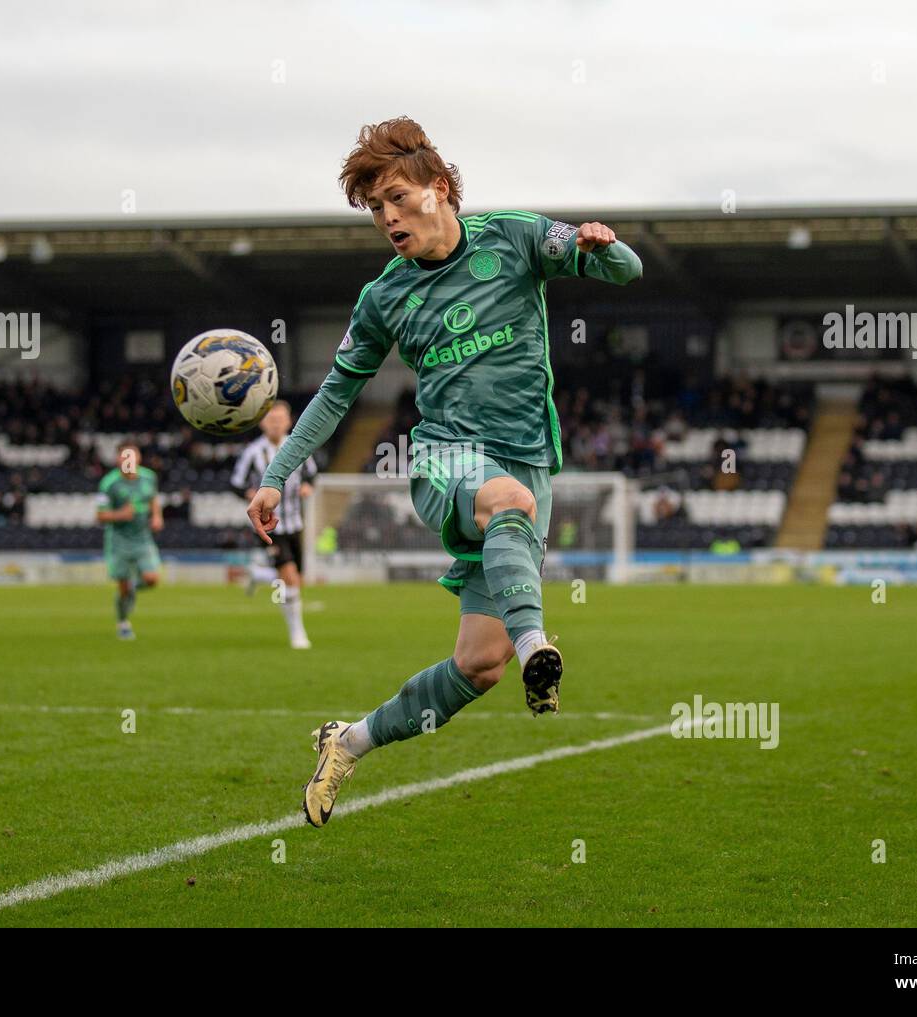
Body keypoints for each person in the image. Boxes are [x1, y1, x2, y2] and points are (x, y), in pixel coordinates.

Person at [244, 116, 643, 827]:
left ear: (441, 187)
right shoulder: (383, 298)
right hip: (444, 460)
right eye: (375, 209)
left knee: (476, 665)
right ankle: (538, 650)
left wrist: (600, 245)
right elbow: (338, 392)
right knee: (504, 500)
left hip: (527, 463)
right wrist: (277, 473)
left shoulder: (515, 237)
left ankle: (349, 740)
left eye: (397, 198)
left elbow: (627, 272)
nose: (388, 217)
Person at [230, 401, 318, 649]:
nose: (276, 423)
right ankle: (297, 633)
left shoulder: (299, 446)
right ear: (262, 423)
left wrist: (307, 486)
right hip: (270, 526)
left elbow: (311, 473)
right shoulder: (253, 452)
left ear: (289, 422)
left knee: (296, 580)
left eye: (280, 419)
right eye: (271, 419)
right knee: (289, 578)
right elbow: (236, 483)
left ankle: (260, 575)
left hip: (295, 522)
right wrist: (251, 494)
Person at [95, 442, 162, 640]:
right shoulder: (108, 484)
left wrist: (157, 516)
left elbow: (153, 499)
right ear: (117, 459)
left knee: (152, 579)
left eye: (132, 456)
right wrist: (120, 514)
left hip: (142, 537)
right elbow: (100, 516)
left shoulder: (149, 477)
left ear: (139, 458)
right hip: (119, 540)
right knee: (122, 588)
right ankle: (123, 622)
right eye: (124, 456)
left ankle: (134, 585)